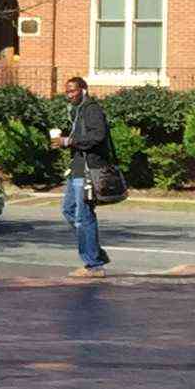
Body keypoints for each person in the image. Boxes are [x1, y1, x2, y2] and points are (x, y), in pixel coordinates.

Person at [52, 74, 113, 274]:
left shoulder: (91, 109)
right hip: (77, 168)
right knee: (69, 210)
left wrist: (69, 141)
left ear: (83, 90)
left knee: (84, 215)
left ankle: (94, 265)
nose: (69, 95)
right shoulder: (78, 111)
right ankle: (94, 252)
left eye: (72, 91)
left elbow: (98, 135)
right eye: (67, 92)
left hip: (88, 169)